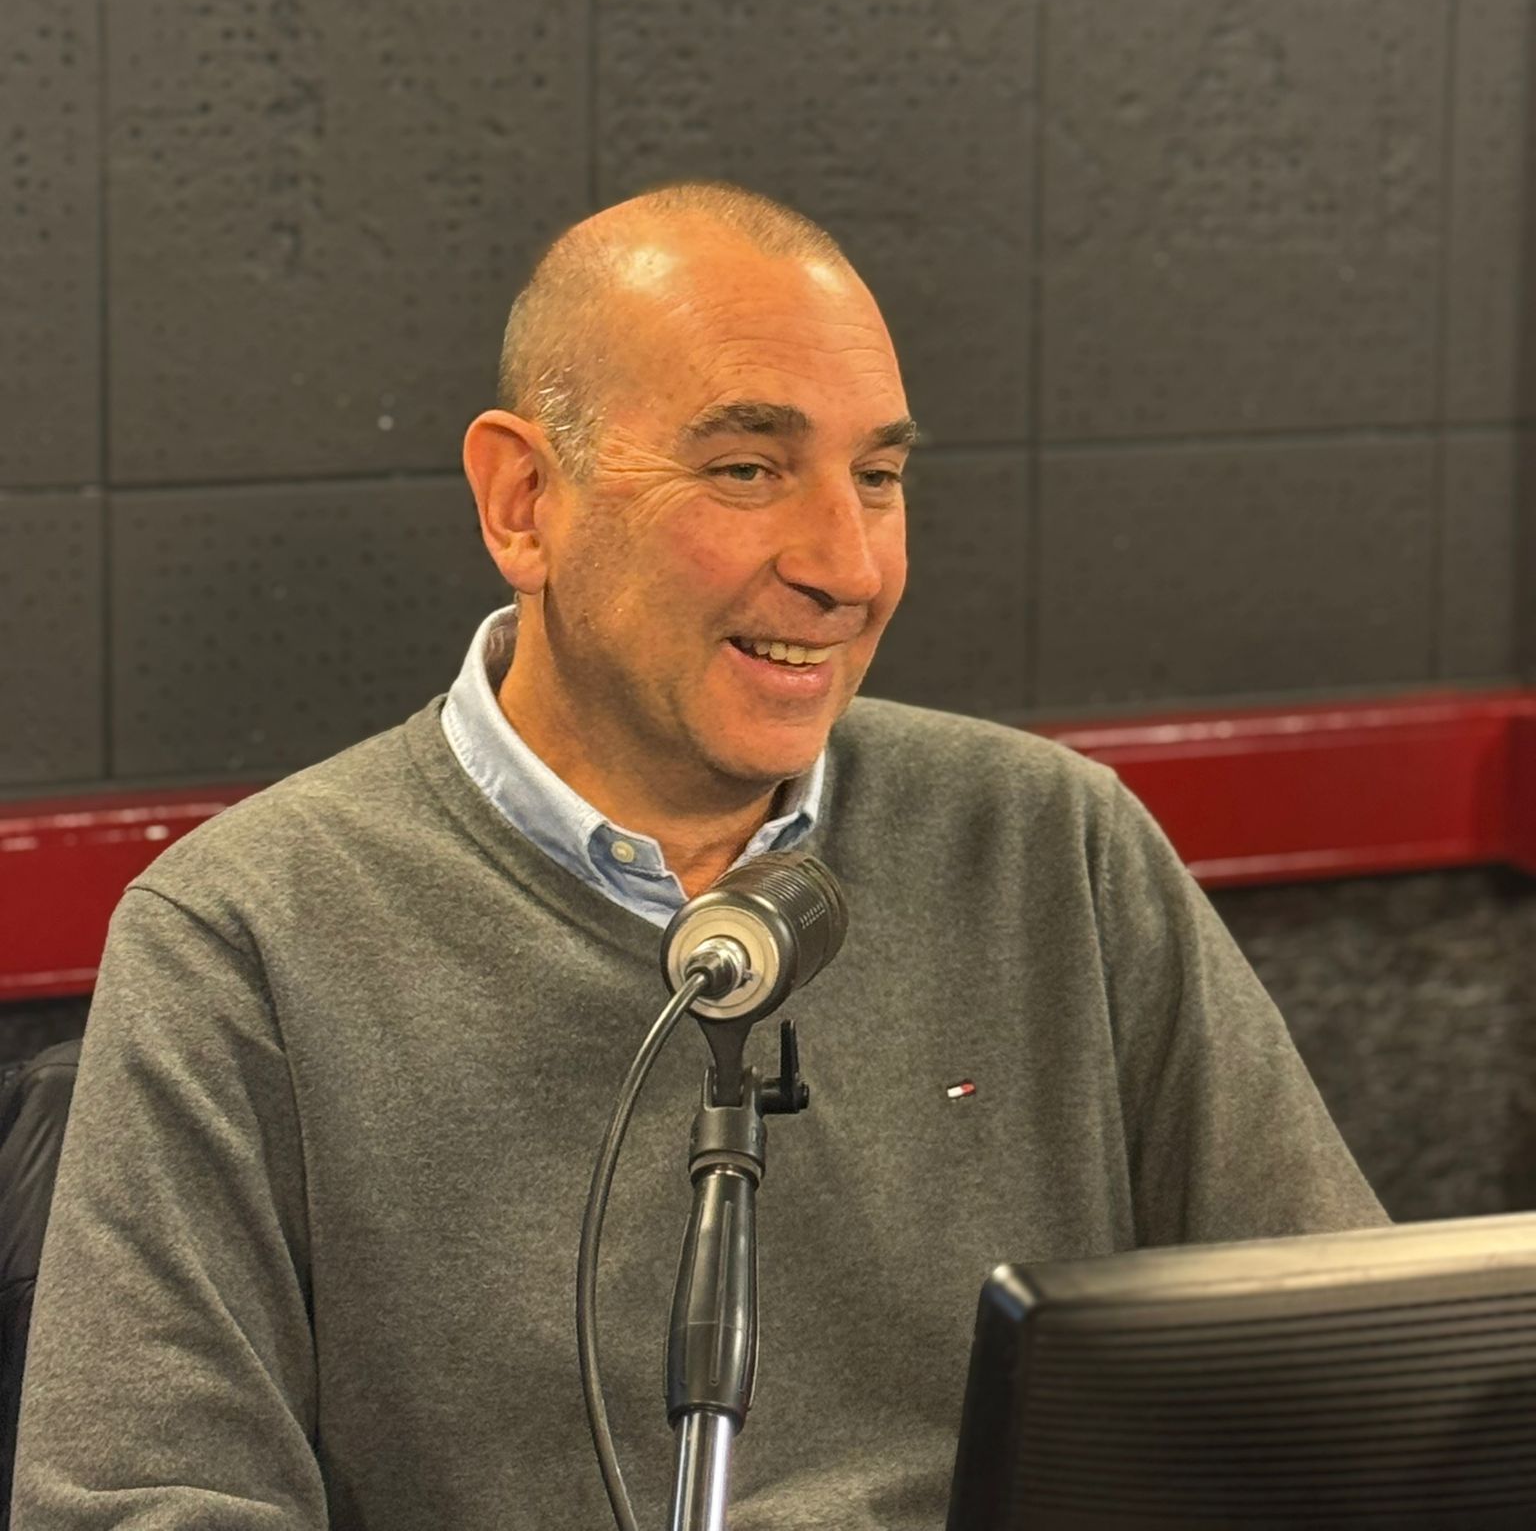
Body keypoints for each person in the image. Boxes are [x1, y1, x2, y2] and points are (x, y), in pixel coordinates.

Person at [14, 182, 1384, 1530]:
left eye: (882, 479)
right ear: (524, 501)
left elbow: (1360, 1380)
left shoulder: (1052, 847)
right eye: (747, 470)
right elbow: (143, 1504)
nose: (846, 565)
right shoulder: (243, 935)